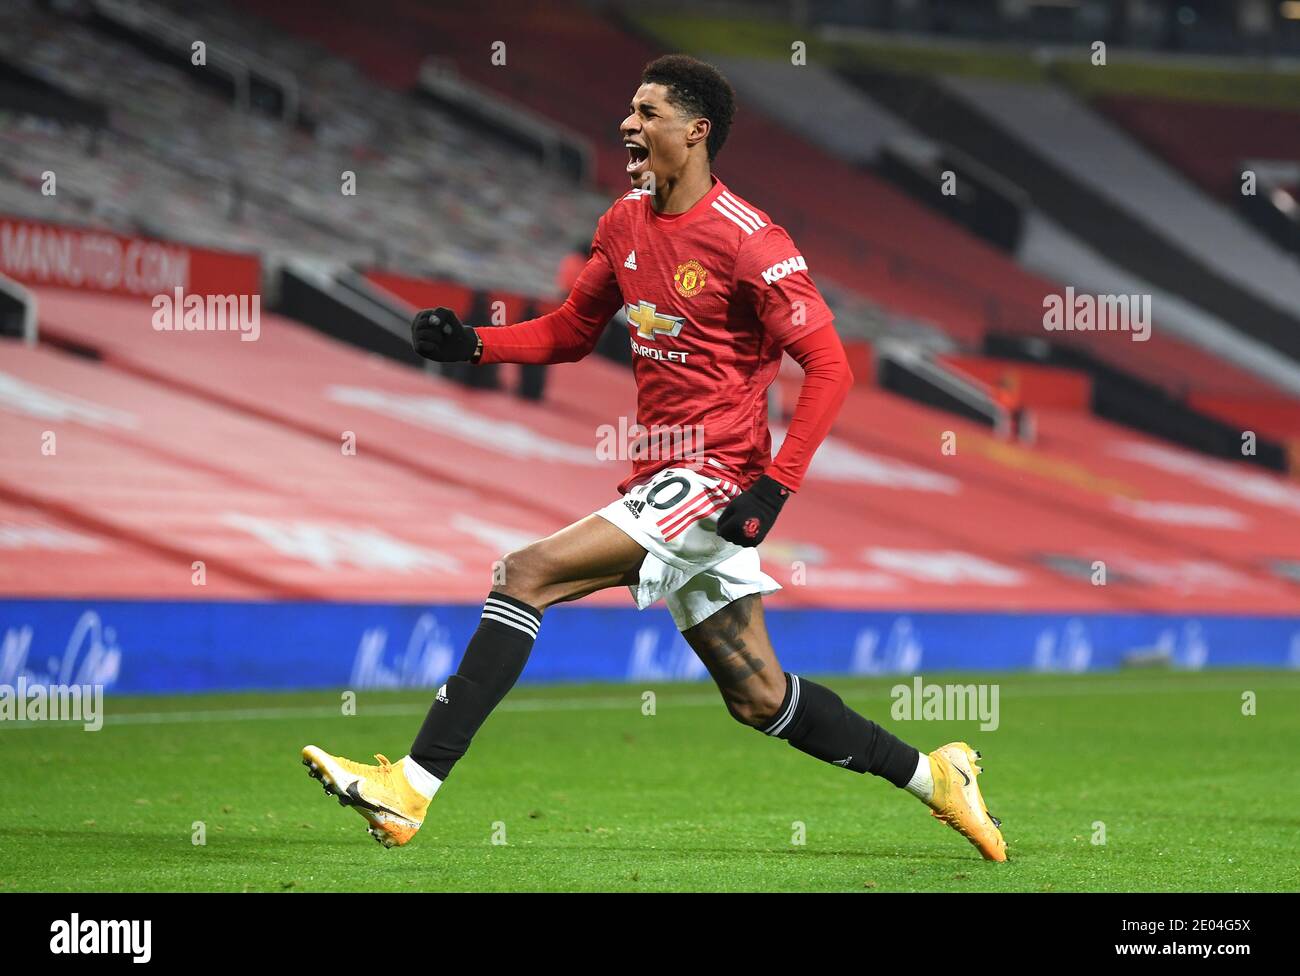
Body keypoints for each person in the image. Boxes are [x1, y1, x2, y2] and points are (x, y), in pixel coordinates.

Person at [301, 54, 1006, 863]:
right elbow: (571, 330)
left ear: (696, 131)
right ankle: (935, 775)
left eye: (647, 111)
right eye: (629, 110)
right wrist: (474, 343)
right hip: (662, 476)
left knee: (524, 573)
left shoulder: (753, 242)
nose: (628, 125)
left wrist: (773, 490)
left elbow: (832, 367)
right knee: (758, 695)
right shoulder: (624, 222)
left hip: (716, 479)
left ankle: (410, 789)